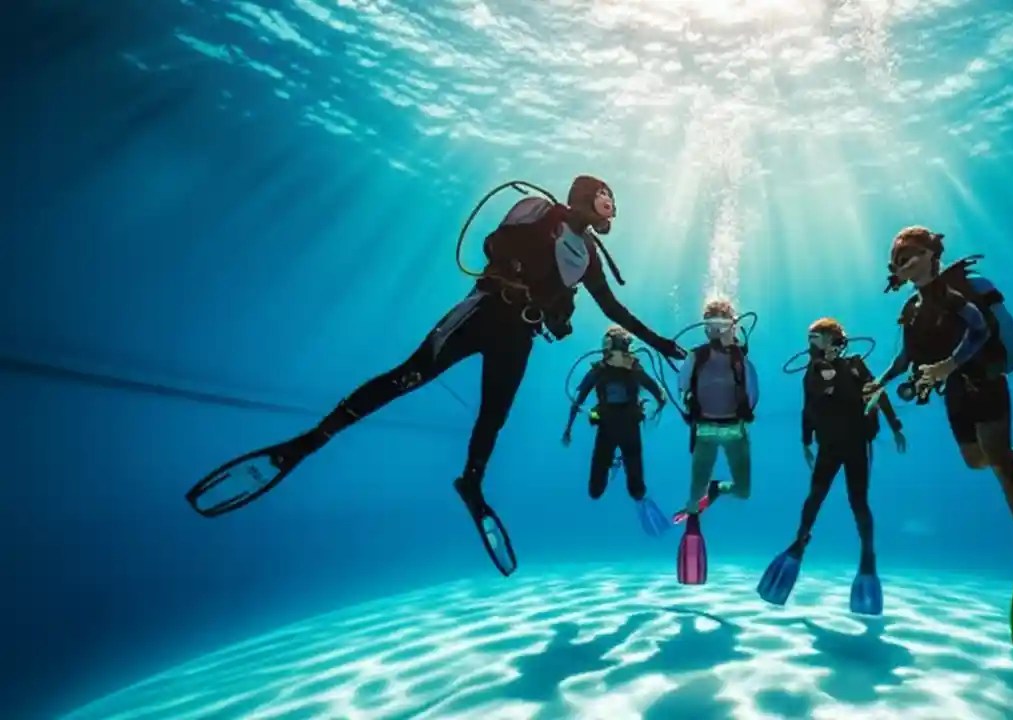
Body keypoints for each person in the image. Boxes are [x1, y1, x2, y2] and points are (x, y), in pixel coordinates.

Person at [185, 175, 687, 578]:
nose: (611, 205)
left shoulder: (590, 256)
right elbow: (495, 242)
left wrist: (660, 341)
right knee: (409, 376)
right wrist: (518, 267)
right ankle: (311, 440)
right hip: (483, 312)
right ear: (585, 196)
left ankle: (472, 482)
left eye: (612, 199)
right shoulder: (542, 212)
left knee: (494, 415)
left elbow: (612, 308)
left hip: (519, 336)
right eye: (605, 195)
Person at [862, 225, 1013, 659]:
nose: (903, 264)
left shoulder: (952, 294)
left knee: (998, 463)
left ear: (931, 254)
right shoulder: (912, 309)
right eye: (897, 260)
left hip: (985, 383)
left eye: (910, 255)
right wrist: (881, 382)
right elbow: (905, 357)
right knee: (976, 461)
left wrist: (947, 366)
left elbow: (979, 331)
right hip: (955, 391)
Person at [757, 318, 906, 611]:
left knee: (858, 501)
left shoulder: (855, 365)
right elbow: (808, 407)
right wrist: (805, 441)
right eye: (809, 338)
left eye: (816, 337)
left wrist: (895, 424)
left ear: (832, 339)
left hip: (855, 443)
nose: (810, 343)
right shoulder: (812, 372)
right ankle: (800, 542)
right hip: (828, 445)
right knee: (815, 496)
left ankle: (867, 555)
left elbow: (878, 393)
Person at [674, 299, 759, 585]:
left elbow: (753, 390)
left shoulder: (741, 358)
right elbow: (682, 386)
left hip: (735, 430)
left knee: (743, 491)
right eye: (711, 325)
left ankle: (717, 489)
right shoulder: (695, 356)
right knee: (693, 496)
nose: (716, 331)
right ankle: (694, 519)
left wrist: (747, 411)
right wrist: (689, 402)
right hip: (705, 430)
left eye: (722, 325)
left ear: (733, 326)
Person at [562, 326, 669, 536]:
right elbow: (578, 400)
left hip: (627, 429)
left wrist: (657, 406)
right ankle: (617, 463)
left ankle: (621, 467)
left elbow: (659, 394)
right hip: (608, 429)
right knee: (595, 491)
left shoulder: (633, 370)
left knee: (637, 491)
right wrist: (568, 428)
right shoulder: (599, 371)